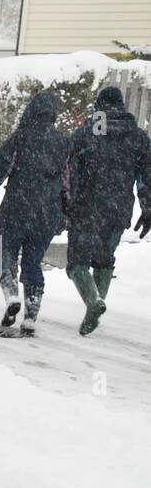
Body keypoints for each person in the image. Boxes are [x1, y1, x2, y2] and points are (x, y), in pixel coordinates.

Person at [0, 91, 69, 336]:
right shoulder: (64, 143)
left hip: (16, 210)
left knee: (6, 257)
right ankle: (31, 315)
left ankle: (11, 295)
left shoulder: (20, 138)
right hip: (46, 215)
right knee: (33, 263)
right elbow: (67, 183)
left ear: (31, 111)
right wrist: (66, 213)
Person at [63, 85, 150, 336]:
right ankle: (98, 301)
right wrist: (148, 206)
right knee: (104, 259)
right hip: (118, 211)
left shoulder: (84, 134)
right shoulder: (138, 138)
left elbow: (69, 175)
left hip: (86, 208)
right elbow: (147, 177)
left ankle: (94, 302)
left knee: (77, 262)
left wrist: (66, 204)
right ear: (122, 107)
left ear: (98, 107)